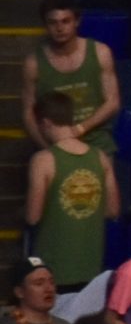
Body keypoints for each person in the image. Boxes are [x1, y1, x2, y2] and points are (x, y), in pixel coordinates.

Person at [25, 95, 120, 290]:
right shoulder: (100, 157)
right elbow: (113, 210)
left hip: (53, 269)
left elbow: (33, 217)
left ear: (46, 123)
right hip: (90, 266)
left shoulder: (43, 160)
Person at [22, 0, 120, 158]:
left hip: (97, 143)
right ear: (46, 25)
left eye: (65, 21)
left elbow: (113, 102)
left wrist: (79, 129)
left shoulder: (100, 52)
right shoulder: (34, 63)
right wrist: (48, 150)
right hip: (54, 145)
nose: (59, 28)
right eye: (53, 23)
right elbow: (28, 113)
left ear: (77, 21)